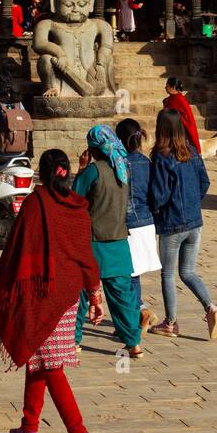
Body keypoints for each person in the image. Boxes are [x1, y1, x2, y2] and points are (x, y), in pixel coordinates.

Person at [0, 149, 103, 433]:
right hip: (68, 296)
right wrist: (94, 296)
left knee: (51, 365)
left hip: (41, 294)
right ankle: (29, 426)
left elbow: (18, 247)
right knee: (37, 354)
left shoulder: (36, 204)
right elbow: (86, 256)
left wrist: (7, 287)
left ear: (43, 173)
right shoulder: (79, 208)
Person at [148, 107, 217, 340]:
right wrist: (191, 203)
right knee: (188, 271)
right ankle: (211, 307)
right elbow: (204, 182)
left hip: (172, 223)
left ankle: (170, 323)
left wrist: (151, 207)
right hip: (194, 222)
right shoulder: (191, 151)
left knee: (168, 274)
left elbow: (160, 194)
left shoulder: (162, 156)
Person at [72, 124, 143, 357]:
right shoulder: (123, 169)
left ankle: (75, 341)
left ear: (93, 149)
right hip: (119, 241)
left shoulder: (94, 171)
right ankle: (134, 344)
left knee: (82, 293)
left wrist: (81, 170)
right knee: (122, 297)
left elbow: (74, 199)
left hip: (93, 241)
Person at [116, 117, 160, 335]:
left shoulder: (118, 163)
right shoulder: (146, 162)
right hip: (146, 221)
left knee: (125, 273)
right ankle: (137, 312)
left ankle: (138, 313)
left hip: (126, 224)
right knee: (133, 273)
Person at [164, 77, 201, 153]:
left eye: (167, 86)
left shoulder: (180, 100)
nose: (165, 88)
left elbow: (187, 118)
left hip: (179, 131)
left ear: (173, 88)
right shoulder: (171, 98)